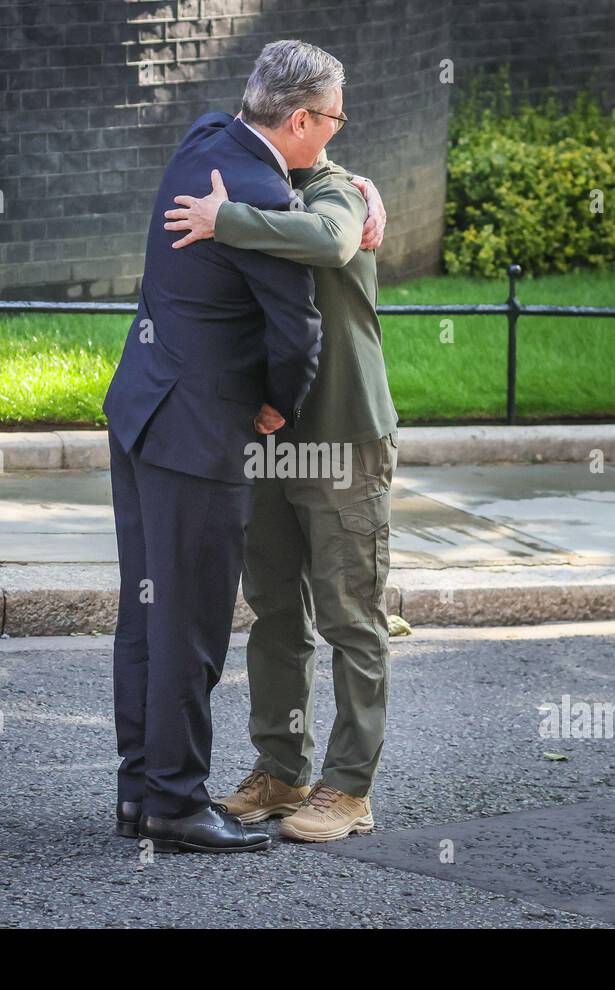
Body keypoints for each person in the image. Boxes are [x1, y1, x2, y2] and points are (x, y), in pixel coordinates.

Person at [101, 40, 351, 853]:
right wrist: (277, 406)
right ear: (303, 118)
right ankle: (176, 803)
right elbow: (299, 329)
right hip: (201, 433)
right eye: (335, 121)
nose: (336, 138)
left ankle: (140, 790)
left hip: (141, 410)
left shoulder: (205, 139)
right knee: (192, 626)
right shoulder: (260, 197)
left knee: (145, 614)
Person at [162, 98, 398, 843]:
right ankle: (281, 772)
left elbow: (330, 244)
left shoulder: (337, 193)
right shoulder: (248, 173)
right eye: (333, 114)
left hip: (344, 440)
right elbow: (222, 115)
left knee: (349, 618)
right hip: (270, 432)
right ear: (297, 117)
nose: (343, 124)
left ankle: (350, 789)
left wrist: (225, 221)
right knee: (273, 614)